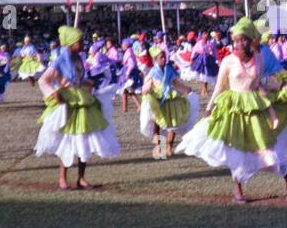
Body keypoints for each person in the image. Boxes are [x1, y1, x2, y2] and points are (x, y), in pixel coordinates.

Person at [179, 18, 287, 203]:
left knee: (267, 145)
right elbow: (220, 87)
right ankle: (237, 190)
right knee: (235, 147)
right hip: (234, 109)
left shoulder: (258, 58)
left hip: (254, 107)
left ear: (250, 40)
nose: (237, 44)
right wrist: (210, 107)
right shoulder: (228, 61)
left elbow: (259, 83)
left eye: (242, 39)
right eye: (235, 40)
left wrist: (273, 91)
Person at [35, 26, 120, 190]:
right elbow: (43, 80)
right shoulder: (60, 61)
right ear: (70, 43)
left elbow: (80, 79)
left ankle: (81, 178)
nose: (82, 43)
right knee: (68, 139)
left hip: (82, 98)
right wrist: (54, 93)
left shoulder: (78, 59)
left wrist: (89, 83)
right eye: (79, 41)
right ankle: (62, 179)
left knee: (84, 139)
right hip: (69, 102)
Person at [139, 44, 200, 157]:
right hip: (157, 100)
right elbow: (147, 86)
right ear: (155, 60)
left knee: (172, 124)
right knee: (158, 125)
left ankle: (169, 148)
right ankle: (160, 148)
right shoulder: (153, 72)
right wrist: (146, 89)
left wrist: (186, 90)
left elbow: (175, 82)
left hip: (169, 99)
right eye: (161, 57)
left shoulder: (169, 69)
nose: (163, 59)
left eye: (164, 56)